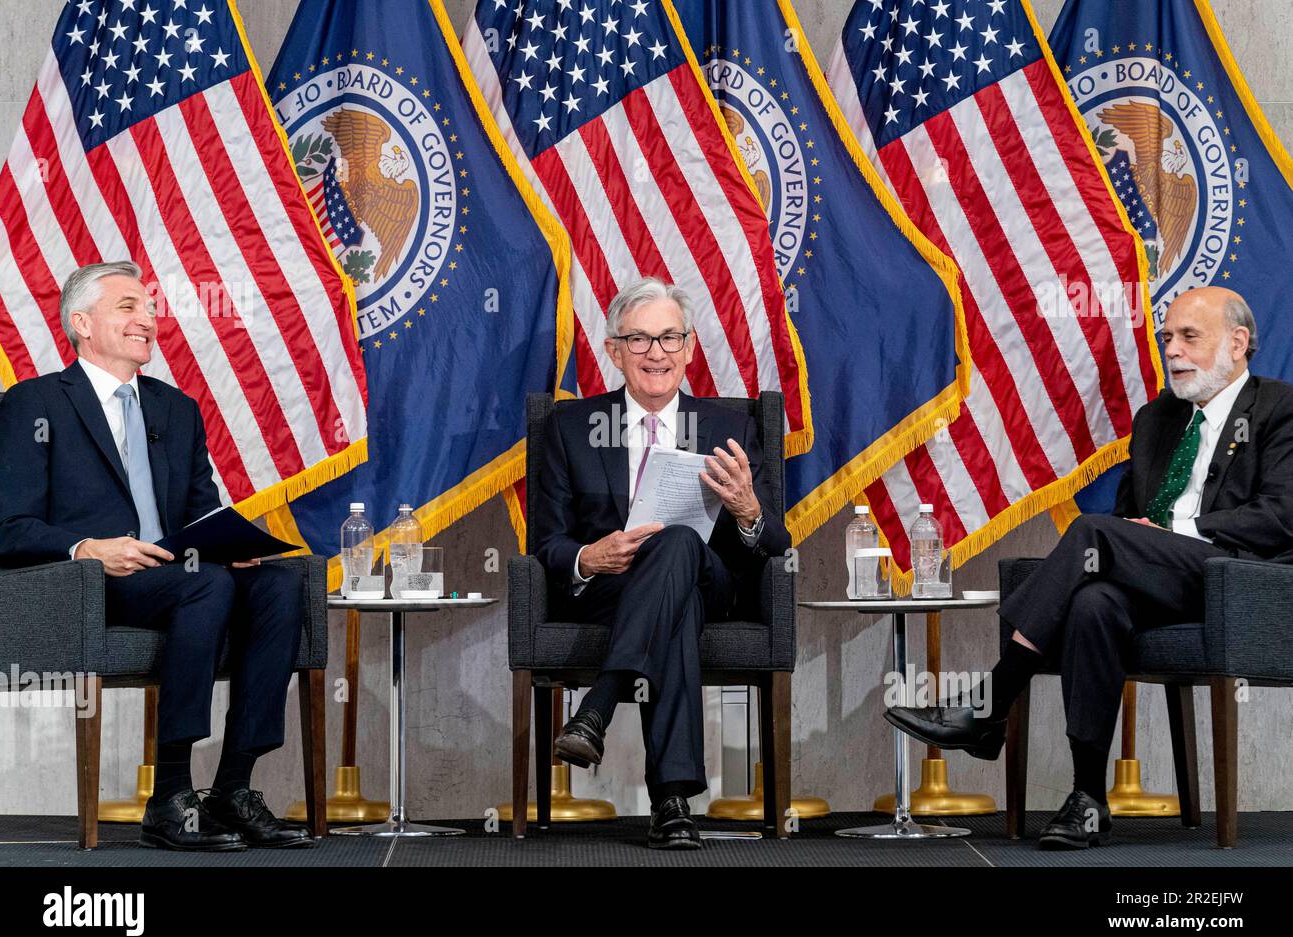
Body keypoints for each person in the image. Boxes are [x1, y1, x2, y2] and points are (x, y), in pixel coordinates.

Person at [885, 287, 1293, 849]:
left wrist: (1173, 534)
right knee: (1092, 603)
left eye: (1189, 338)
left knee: (1092, 531)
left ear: (1239, 343)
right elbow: (1130, 512)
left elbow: (1282, 516)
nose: (1173, 350)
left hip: (1237, 580)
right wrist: (1142, 539)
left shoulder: (1278, 408)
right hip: (1157, 576)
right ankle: (1087, 799)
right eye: (1167, 337)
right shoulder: (1158, 418)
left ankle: (992, 703)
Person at [0, 261, 313, 852]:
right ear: (82, 323)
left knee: (279, 584)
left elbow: (199, 512)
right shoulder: (34, 402)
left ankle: (233, 790)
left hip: (177, 571)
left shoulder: (176, 408)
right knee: (207, 587)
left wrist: (230, 546)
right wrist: (86, 548)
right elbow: (7, 526)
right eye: (128, 307)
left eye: (149, 309)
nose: (147, 319)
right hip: (86, 580)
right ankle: (170, 795)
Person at [528, 277, 790, 850]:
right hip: (609, 586)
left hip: (713, 581)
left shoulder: (732, 428)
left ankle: (597, 705)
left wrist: (747, 507)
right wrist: (587, 556)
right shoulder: (570, 428)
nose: (657, 353)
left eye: (670, 338)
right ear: (614, 351)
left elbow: (774, 540)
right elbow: (544, 542)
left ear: (690, 347)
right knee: (675, 598)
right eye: (640, 340)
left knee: (677, 544)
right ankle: (672, 803)